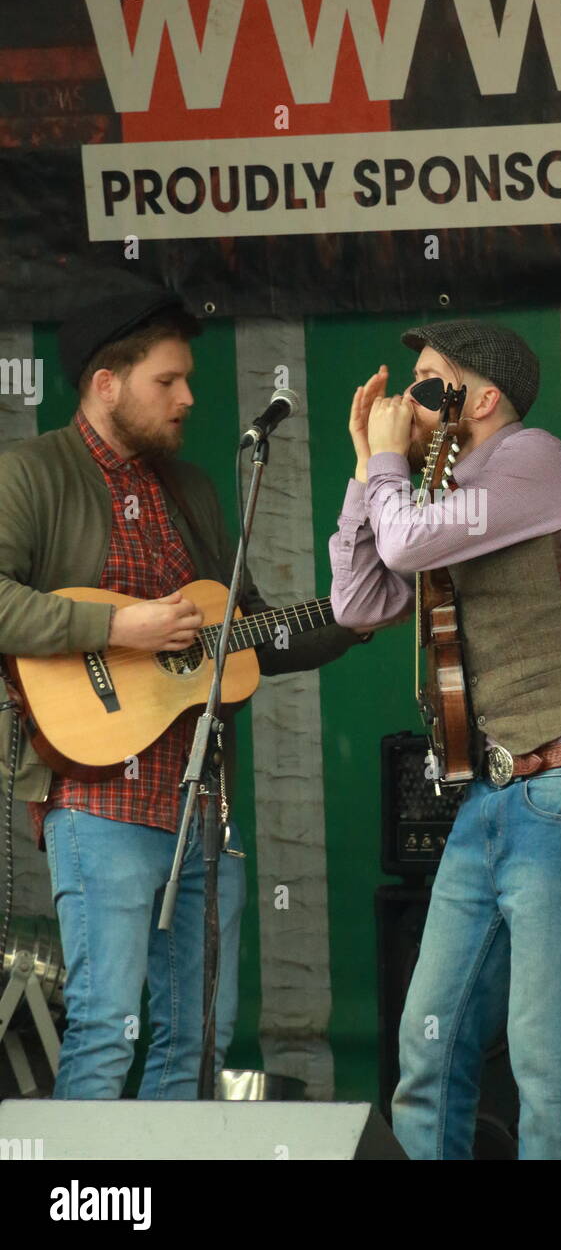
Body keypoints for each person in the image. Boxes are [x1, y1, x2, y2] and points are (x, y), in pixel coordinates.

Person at [0, 286, 366, 1099]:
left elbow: (255, 634)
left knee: (198, 1041)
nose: (189, 398)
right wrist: (114, 631)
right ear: (106, 384)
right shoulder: (29, 474)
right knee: (103, 1027)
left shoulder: (193, 489)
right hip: (99, 805)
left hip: (203, 815)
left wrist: (362, 613)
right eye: (168, 381)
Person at [328, 320, 561, 1159]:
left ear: (483, 398)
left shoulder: (531, 459)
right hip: (493, 795)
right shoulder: (439, 497)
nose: (410, 398)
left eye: (430, 383)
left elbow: (399, 542)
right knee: (427, 1050)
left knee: (548, 1066)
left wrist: (392, 468)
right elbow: (360, 603)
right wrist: (369, 468)